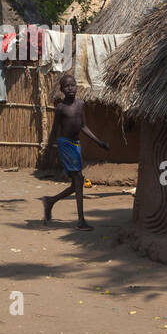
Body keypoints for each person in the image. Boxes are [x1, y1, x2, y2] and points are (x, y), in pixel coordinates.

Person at [42, 74, 107, 229]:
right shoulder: (61, 108)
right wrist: (50, 150)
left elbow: (83, 126)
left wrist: (98, 142)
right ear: (62, 90)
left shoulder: (80, 104)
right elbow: (54, 130)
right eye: (67, 86)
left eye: (73, 85)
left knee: (76, 184)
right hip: (65, 145)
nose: (71, 88)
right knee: (78, 180)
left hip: (76, 145)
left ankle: (50, 201)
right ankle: (81, 220)